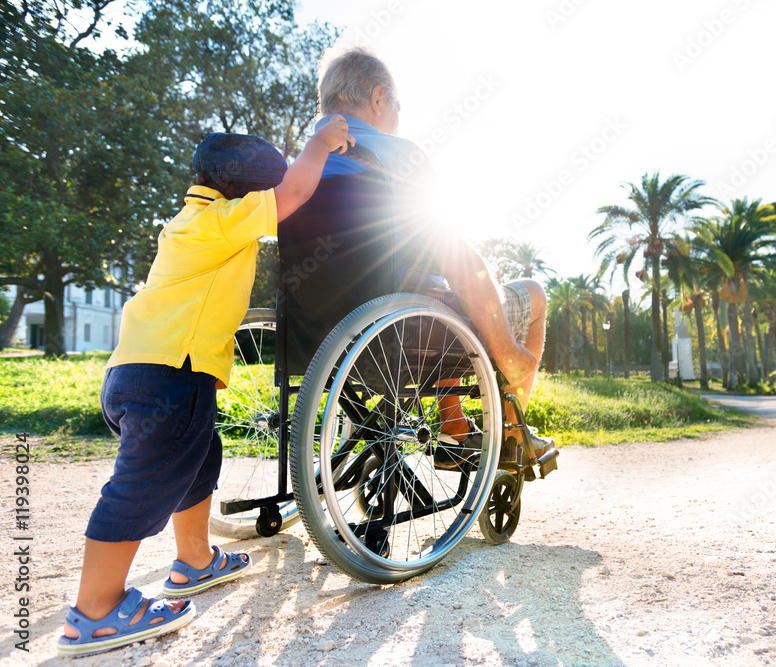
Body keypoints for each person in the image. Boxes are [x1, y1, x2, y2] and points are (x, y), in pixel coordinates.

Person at [58, 120, 355, 657]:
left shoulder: (191, 219)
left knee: (198, 458)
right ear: (242, 192)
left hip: (141, 373)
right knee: (142, 485)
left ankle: (195, 561)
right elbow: (293, 193)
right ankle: (95, 613)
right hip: (170, 374)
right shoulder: (221, 220)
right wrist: (320, 144)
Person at [313, 47, 555, 465]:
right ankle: (512, 435)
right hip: (401, 335)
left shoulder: (304, 167)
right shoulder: (396, 155)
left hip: (324, 337)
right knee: (529, 294)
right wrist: (507, 353)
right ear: (378, 98)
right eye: (396, 107)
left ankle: (455, 426)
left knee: (434, 290)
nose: (397, 118)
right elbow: (457, 257)